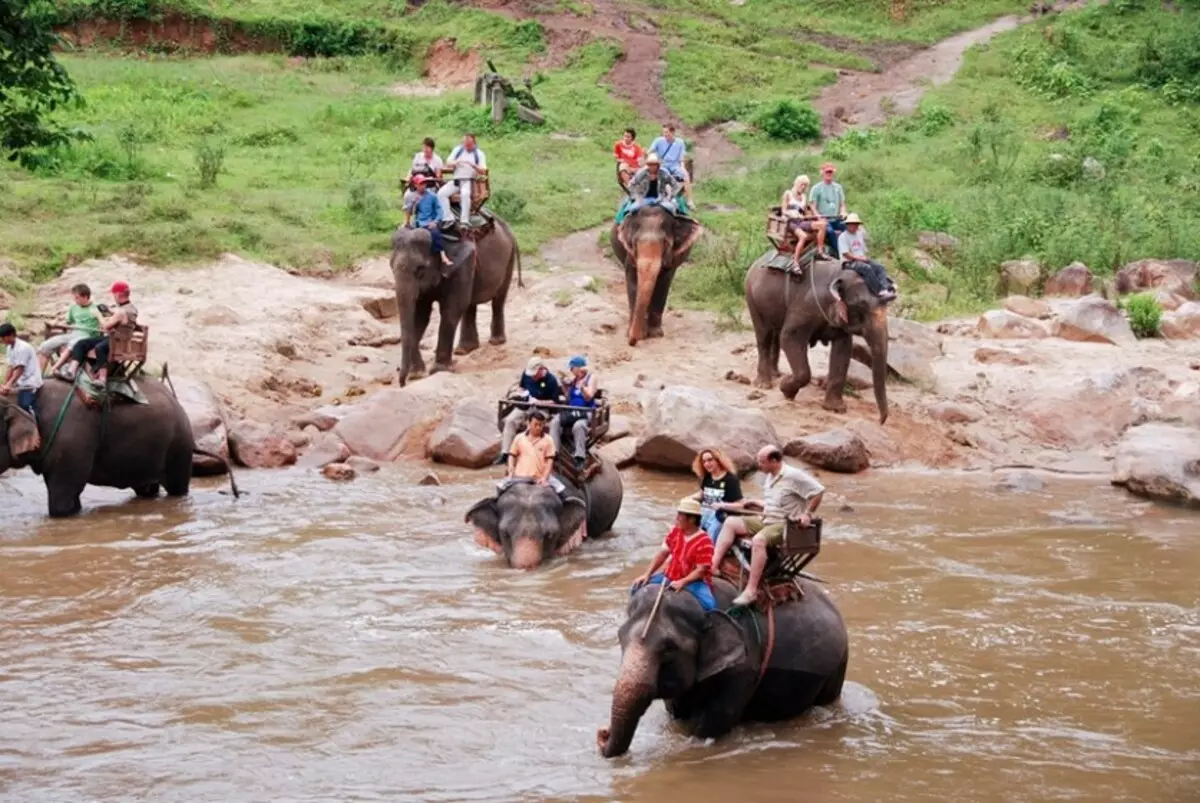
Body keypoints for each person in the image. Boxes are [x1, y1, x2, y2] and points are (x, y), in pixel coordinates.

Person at [711, 445, 825, 607]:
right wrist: (756, 503)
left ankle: (751, 590)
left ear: (774, 461)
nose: (759, 465)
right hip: (766, 519)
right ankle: (713, 565)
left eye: (762, 462)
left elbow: (818, 491)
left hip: (784, 524)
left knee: (759, 540)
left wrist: (807, 513)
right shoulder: (770, 475)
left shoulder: (794, 475)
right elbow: (776, 502)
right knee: (731, 523)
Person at [630, 497, 716, 612]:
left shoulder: (705, 541)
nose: (677, 518)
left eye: (680, 515)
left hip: (693, 581)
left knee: (709, 606)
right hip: (670, 575)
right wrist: (647, 574)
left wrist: (683, 582)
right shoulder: (675, 532)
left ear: (691, 519)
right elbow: (662, 554)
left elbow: (701, 570)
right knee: (636, 587)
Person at [60, 280, 139, 386]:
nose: (113, 297)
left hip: (118, 341)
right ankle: (71, 371)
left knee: (100, 347)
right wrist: (110, 313)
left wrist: (98, 315)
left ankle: (102, 379)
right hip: (120, 338)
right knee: (82, 343)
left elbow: (105, 326)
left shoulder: (121, 311)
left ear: (118, 294)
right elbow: (123, 321)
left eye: (113, 294)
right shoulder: (131, 308)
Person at [495, 357, 564, 466]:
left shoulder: (551, 380)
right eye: (531, 374)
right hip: (526, 405)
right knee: (510, 421)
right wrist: (524, 394)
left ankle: (530, 454)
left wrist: (539, 402)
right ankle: (505, 453)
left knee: (532, 425)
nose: (532, 377)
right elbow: (522, 388)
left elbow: (554, 402)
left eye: (534, 374)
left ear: (541, 370)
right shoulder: (526, 375)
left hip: (542, 408)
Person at [38, 283, 101, 375]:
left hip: (87, 336)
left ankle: (55, 370)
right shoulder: (74, 308)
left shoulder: (95, 308)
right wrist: (56, 322)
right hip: (74, 333)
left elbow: (105, 320)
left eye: (77, 298)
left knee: (72, 344)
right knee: (45, 346)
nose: (75, 300)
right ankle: (38, 377)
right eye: (74, 298)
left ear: (86, 297)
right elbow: (67, 321)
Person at [837, 213, 897, 300]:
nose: (855, 226)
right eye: (852, 224)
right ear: (847, 225)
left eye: (856, 224)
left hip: (861, 259)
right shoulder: (843, 237)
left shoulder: (859, 234)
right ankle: (879, 291)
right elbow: (846, 254)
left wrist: (864, 258)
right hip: (849, 262)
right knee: (867, 268)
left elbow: (867, 242)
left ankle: (885, 287)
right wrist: (860, 258)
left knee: (879, 267)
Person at [551, 355, 596, 471]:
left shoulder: (591, 378)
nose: (570, 370)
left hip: (585, 411)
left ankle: (579, 456)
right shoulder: (574, 380)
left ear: (579, 368)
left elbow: (589, 397)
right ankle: (554, 451)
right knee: (555, 421)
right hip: (572, 411)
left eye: (572, 368)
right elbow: (568, 398)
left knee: (579, 426)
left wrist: (582, 388)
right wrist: (566, 386)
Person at [689, 448, 745, 540]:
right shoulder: (707, 477)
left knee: (710, 536)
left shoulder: (730, 480)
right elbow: (702, 494)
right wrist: (687, 499)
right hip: (704, 513)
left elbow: (740, 504)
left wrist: (722, 505)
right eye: (704, 462)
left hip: (720, 516)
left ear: (718, 461)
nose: (707, 464)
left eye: (710, 460)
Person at [1, 323, 43, 439]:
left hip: (30, 381)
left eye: (3, 338)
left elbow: (19, 369)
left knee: (24, 405)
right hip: (20, 381)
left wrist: (9, 384)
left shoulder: (23, 348)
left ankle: (37, 428)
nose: (2, 340)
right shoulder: (10, 348)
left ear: (11, 335)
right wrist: (5, 384)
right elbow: (10, 367)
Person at [439, 133, 488, 226]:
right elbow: (448, 162)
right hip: (457, 179)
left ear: (473, 143)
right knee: (441, 194)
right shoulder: (458, 150)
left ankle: (464, 221)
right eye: (465, 144)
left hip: (469, 180)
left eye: (468, 144)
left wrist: (474, 166)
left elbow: (483, 170)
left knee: (465, 194)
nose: (466, 146)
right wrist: (456, 162)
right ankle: (448, 218)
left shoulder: (479, 154)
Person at [781, 175, 826, 266]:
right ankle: (795, 262)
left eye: (805, 185)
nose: (803, 187)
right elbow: (784, 210)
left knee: (822, 225)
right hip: (791, 222)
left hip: (801, 221)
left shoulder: (804, 197)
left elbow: (805, 213)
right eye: (802, 185)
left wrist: (815, 216)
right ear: (796, 183)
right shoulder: (788, 193)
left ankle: (820, 251)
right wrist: (793, 215)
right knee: (803, 236)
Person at [507, 409, 558, 487]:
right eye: (536, 424)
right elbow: (512, 455)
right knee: (500, 487)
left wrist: (544, 477)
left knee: (561, 491)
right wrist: (511, 468)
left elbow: (550, 461)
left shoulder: (549, 440)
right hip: (520, 477)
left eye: (541, 425)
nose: (538, 427)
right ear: (529, 423)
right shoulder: (519, 437)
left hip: (539, 477)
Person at [622, 153, 681, 220]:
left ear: (658, 165)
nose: (652, 166)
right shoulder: (642, 173)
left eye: (654, 164)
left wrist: (669, 196)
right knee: (632, 209)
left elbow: (675, 185)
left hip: (660, 199)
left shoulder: (663, 173)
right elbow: (631, 185)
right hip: (644, 199)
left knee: (672, 208)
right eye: (650, 164)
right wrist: (637, 197)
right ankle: (624, 224)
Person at [412, 175, 453, 269]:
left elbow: (439, 211)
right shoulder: (414, 197)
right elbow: (412, 212)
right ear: (415, 185)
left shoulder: (433, 196)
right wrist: (414, 204)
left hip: (430, 222)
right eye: (420, 184)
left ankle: (443, 255)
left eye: (424, 183)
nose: (423, 186)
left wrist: (435, 221)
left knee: (435, 233)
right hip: (419, 222)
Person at [648, 124, 692, 207]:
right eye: (664, 132)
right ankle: (669, 197)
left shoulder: (680, 142)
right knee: (665, 176)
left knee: (686, 176)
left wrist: (682, 167)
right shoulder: (658, 140)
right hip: (663, 164)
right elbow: (650, 151)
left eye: (667, 132)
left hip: (675, 165)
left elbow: (681, 158)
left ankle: (689, 201)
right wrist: (647, 154)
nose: (665, 134)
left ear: (672, 132)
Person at [809, 162, 848, 257]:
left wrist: (843, 212)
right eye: (827, 172)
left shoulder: (838, 187)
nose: (829, 174)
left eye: (830, 172)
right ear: (822, 173)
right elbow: (812, 205)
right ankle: (841, 254)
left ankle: (854, 249)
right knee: (830, 232)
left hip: (836, 218)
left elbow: (843, 204)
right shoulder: (816, 188)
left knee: (849, 226)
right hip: (824, 219)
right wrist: (818, 216)